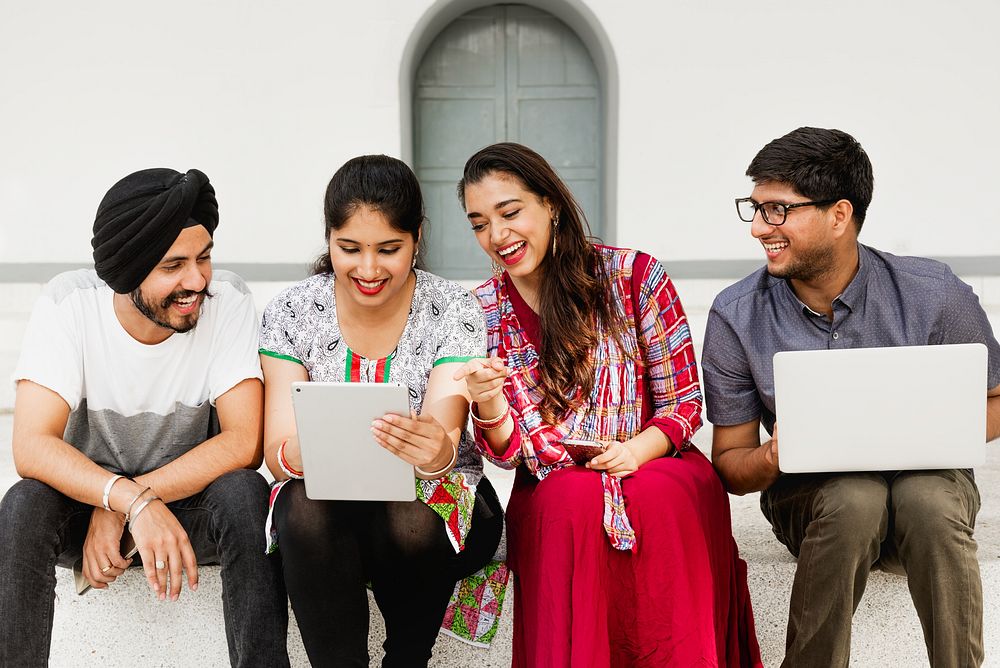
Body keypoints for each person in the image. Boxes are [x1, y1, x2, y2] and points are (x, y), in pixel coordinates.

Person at [453, 142, 761, 667]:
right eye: (479, 223)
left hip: (655, 456)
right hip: (554, 476)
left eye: (510, 213)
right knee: (570, 504)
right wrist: (488, 406)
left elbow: (684, 403)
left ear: (550, 203)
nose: (497, 236)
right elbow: (506, 455)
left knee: (666, 498)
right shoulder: (480, 310)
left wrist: (636, 451)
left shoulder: (635, 276)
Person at [702, 126, 1000, 667]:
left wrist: (925, 431)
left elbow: (999, 399)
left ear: (840, 216)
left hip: (929, 491)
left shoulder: (934, 293)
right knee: (854, 497)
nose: (759, 229)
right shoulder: (736, 314)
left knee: (928, 501)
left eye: (778, 210)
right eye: (756, 207)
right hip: (816, 503)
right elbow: (730, 464)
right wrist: (775, 454)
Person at [0, 168, 289, 667]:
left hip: (183, 512)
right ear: (128, 269)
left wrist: (126, 505)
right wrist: (124, 500)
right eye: (173, 265)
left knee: (246, 494)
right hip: (86, 513)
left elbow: (243, 442)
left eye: (204, 258)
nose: (196, 280)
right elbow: (31, 445)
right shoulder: (70, 304)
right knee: (23, 504)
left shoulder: (229, 300)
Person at [258, 154, 504, 668]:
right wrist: (317, 446)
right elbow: (278, 457)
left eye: (389, 249)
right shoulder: (291, 312)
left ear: (417, 238)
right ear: (328, 239)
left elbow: (444, 440)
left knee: (412, 513)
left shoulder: (452, 309)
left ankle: (407, 659)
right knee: (303, 506)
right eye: (350, 249)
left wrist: (433, 447)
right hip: (328, 512)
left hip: (436, 513)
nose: (368, 269)